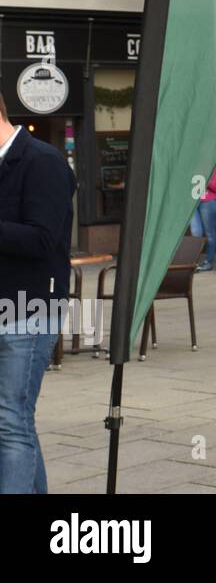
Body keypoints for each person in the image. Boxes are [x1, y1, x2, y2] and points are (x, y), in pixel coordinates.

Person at [0, 91, 77, 494]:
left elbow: (44, 238)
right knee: (13, 420)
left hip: (30, 308)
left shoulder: (44, 161)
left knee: (10, 419)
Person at [196, 165, 216, 272]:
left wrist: (206, 177)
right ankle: (193, 262)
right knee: (196, 233)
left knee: (210, 234)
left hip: (208, 202)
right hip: (191, 203)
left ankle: (209, 262)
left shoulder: (213, 163)